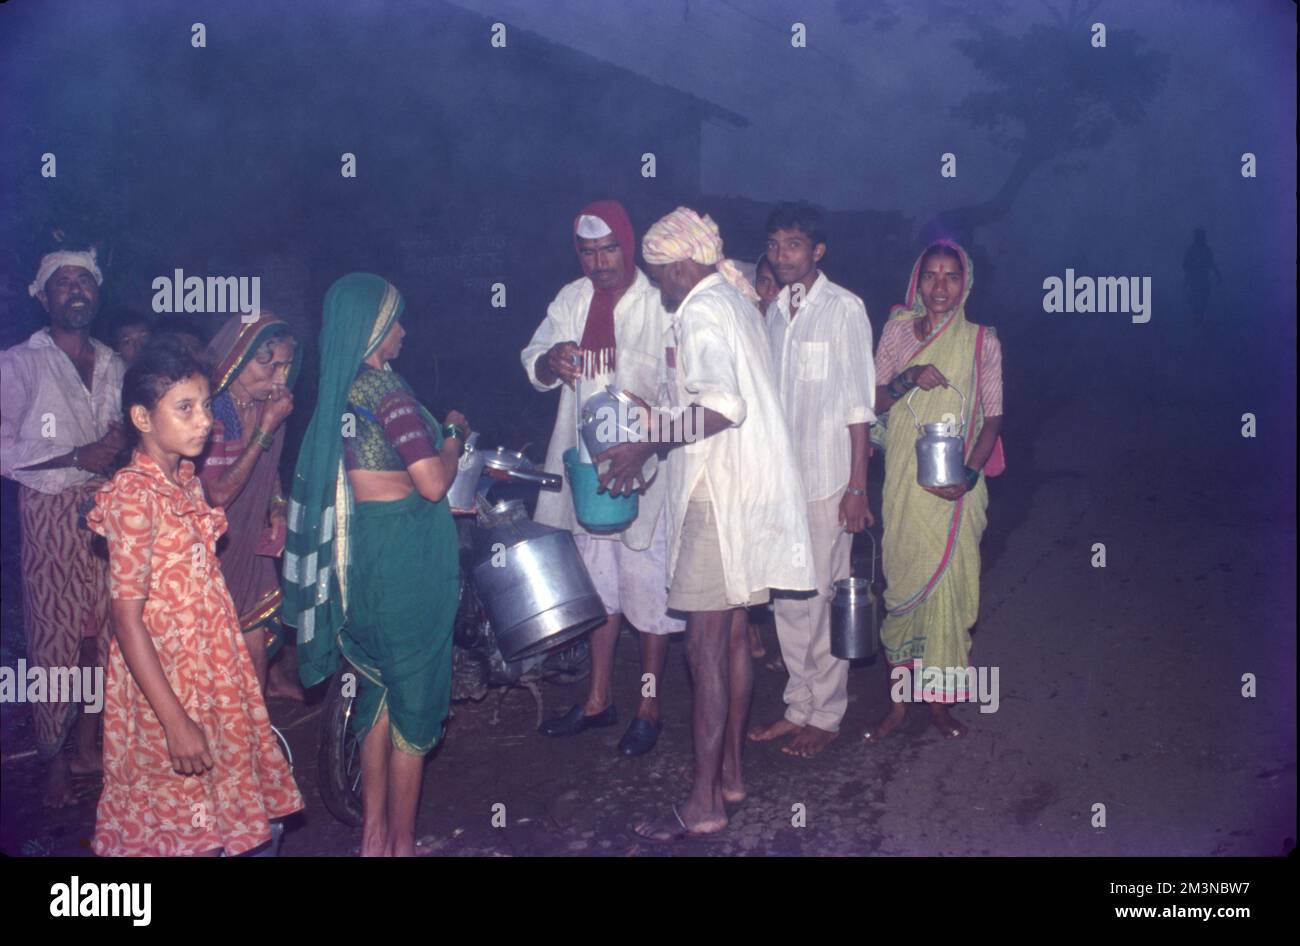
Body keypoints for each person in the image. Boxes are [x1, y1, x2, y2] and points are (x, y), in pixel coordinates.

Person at [600, 207, 814, 841]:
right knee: (732, 638)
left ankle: (703, 803)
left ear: (681, 265)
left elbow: (724, 404)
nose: (659, 285)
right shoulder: (735, 300)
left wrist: (647, 442)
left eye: (660, 274)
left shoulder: (699, 309)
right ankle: (731, 776)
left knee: (704, 647)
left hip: (716, 496)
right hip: (745, 493)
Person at [85, 337, 303, 855]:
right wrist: (176, 722)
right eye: (185, 409)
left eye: (205, 406)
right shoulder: (135, 498)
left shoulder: (182, 480)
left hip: (210, 672)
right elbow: (127, 621)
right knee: (181, 821)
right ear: (141, 417)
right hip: (169, 684)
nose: (203, 420)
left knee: (221, 807)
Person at [283, 273, 469, 856]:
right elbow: (434, 483)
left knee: (376, 695)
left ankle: (372, 841)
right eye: (395, 321)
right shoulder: (386, 395)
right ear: (372, 328)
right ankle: (405, 845)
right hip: (403, 569)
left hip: (358, 567)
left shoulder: (337, 393)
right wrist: (456, 434)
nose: (404, 332)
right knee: (414, 709)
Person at [522, 199, 684, 757]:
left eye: (608, 248)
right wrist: (552, 361)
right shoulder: (571, 300)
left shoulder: (659, 301)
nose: (598, 262)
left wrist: (649, 438)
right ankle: (597, 699)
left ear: (628, 244)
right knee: (598, 590)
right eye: (587, 252)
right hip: (585, 471)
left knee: (649, 591)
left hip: (647, 469)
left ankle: (648, 703)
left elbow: (680, 387)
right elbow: (533, 356)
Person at [863, 240, 1003, 744]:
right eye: (931, 276)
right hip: (904, 483)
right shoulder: (897, 333)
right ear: (917, 282)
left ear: (966, 283)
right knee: (901, 595)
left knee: (948, 595)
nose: (940, 287)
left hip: (957, 488)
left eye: (951, 277)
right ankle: (899, 706)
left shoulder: (982, 340)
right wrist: (907, 379)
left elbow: (993, 416)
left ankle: (940, 707)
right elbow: (871, 398)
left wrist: (966, 476)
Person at [749, 202, 876, 758]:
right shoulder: (772, 314)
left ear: (817, 251)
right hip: (781, 484)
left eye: (794, 244)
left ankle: (827, 714)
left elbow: (858, 407)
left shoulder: (844, 309)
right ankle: (798, 704)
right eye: (774, 245)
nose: (781, 255)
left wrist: (856, 487)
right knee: (787, 600)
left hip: (828, 483)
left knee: (823, 598)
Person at [0, 247, 126, 807]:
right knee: (53, 638)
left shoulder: (115, 364)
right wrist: (78, 454)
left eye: (84, 281)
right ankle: (52, 759)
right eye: (62, 283)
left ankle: (88, 747)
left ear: (97, 292)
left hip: (107, 508)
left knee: (105, 634)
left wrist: (119, 451)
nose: (76, 290)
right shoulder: (17, 364)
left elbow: (123, 438)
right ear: (44, 296)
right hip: (48, 507)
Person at [199, 313, 303, 699]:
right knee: (212, 669)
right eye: (268, 364)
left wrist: (276, 504)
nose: (278, 379)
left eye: (286, 366)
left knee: (254, 659)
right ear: (237, 357)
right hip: (206, 557)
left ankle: (251, 750)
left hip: (248, 550)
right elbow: (217, 496)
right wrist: (264, 430)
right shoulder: (207, 415)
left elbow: (268, 471)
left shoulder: (271, 407)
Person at [1182, 227, 1222, 323]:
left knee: (1202, 298)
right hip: (1196, 279)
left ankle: (1198, 315)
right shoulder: (1194, 250)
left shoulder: (1204, 249)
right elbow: (1185, 265)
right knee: (1198, 297)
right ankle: (1197, 315)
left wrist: (1218, 275)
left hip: (1201, 279)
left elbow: (1212, 263)